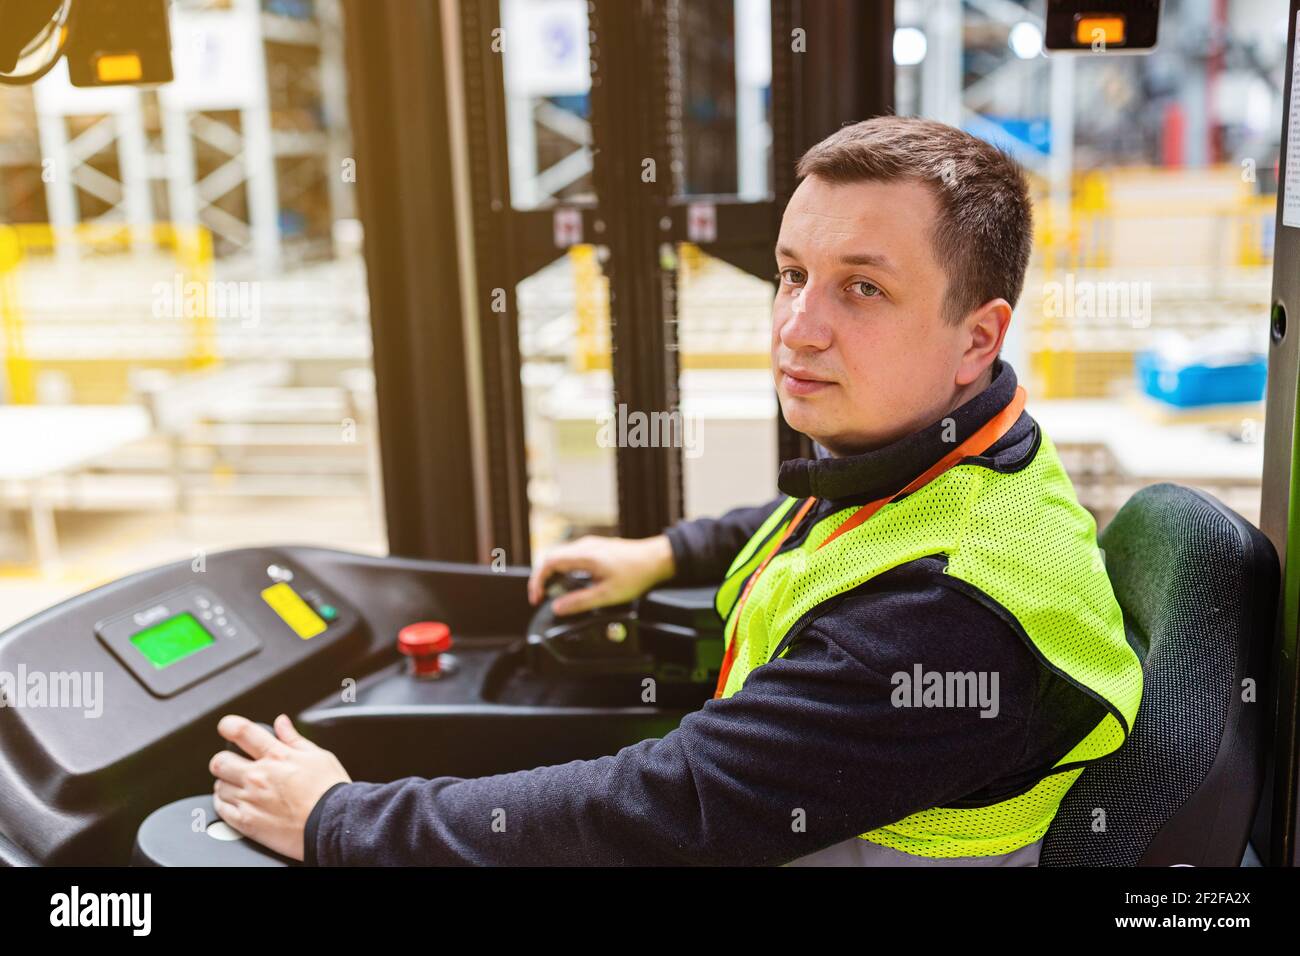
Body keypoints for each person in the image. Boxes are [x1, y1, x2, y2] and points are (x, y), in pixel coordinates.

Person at [209, 115, 1142, 866]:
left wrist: (338, 822)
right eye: (792, 275)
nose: (798, 327)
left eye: (861, 289)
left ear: (977, 337)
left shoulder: (941, 620)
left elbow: (668, 808)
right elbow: (817, 521)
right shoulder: (956, 458)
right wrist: (664, 553)